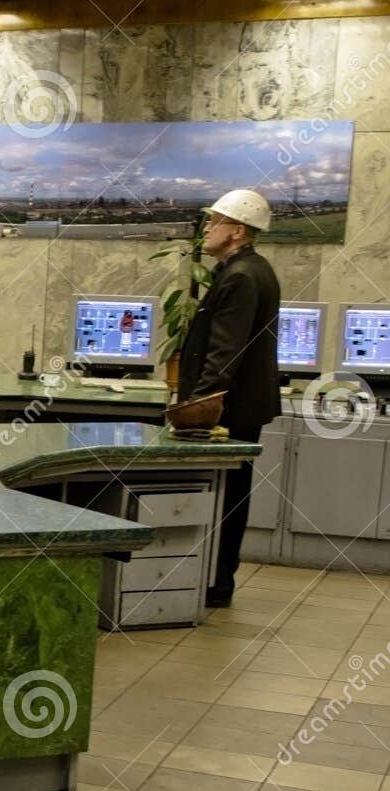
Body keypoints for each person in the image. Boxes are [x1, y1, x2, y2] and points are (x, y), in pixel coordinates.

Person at [178, 188, 281, 608]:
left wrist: (197, 410)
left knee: (224, 496)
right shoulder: (250, 269)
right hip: (236, 407)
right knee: (232, 493)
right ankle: (217, 579)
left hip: (226, 411)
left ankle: (215, 581)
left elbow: (225, 351)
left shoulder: (240, 276)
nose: (206, 229)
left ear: (236, 231)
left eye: (214, 222)